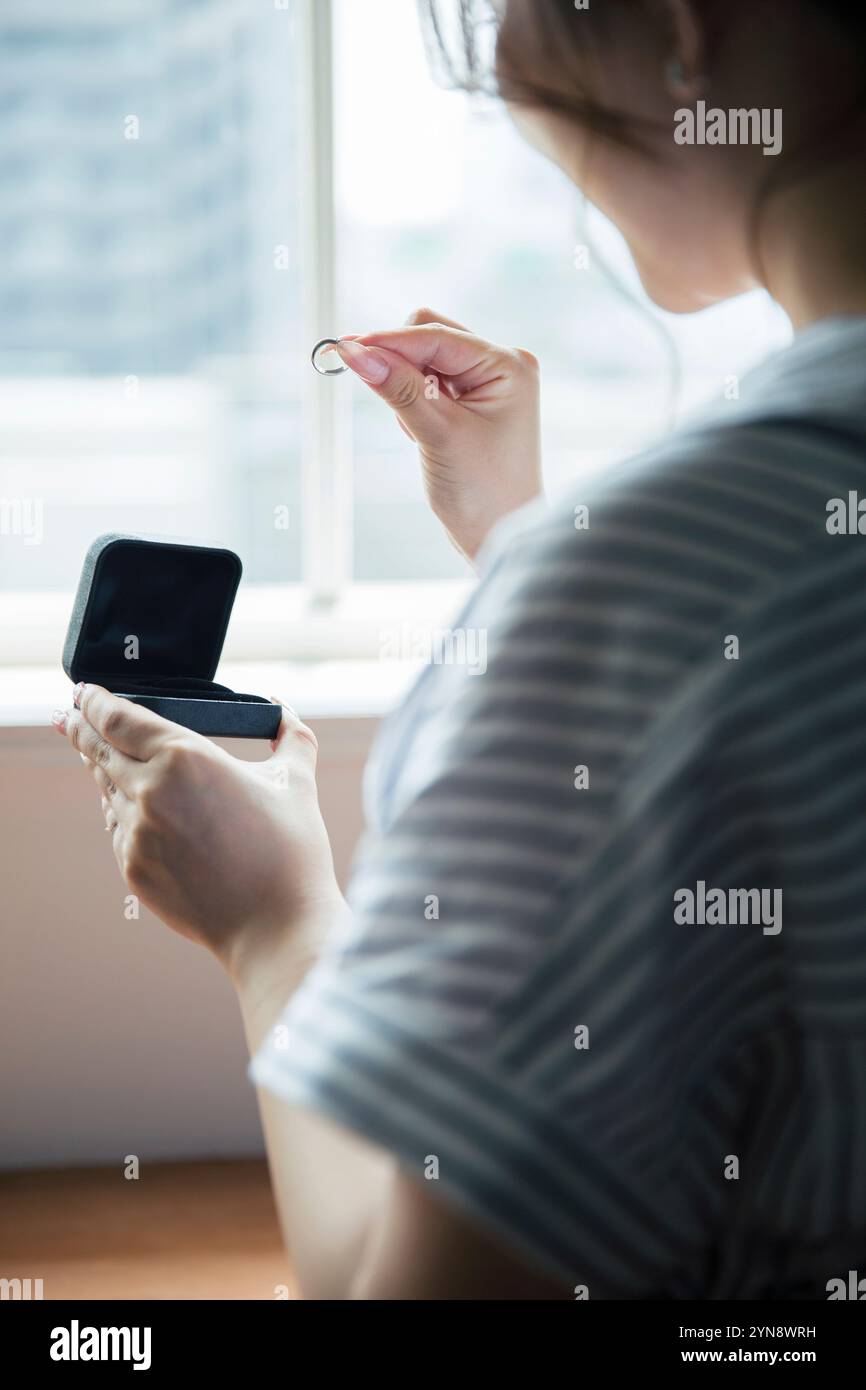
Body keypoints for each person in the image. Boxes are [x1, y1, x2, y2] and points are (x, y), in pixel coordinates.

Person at [53, 0, 866, 1298]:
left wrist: (274, 920)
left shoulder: (646, 591)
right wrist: (533, 558)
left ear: (681, 30)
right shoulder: (693, 579)